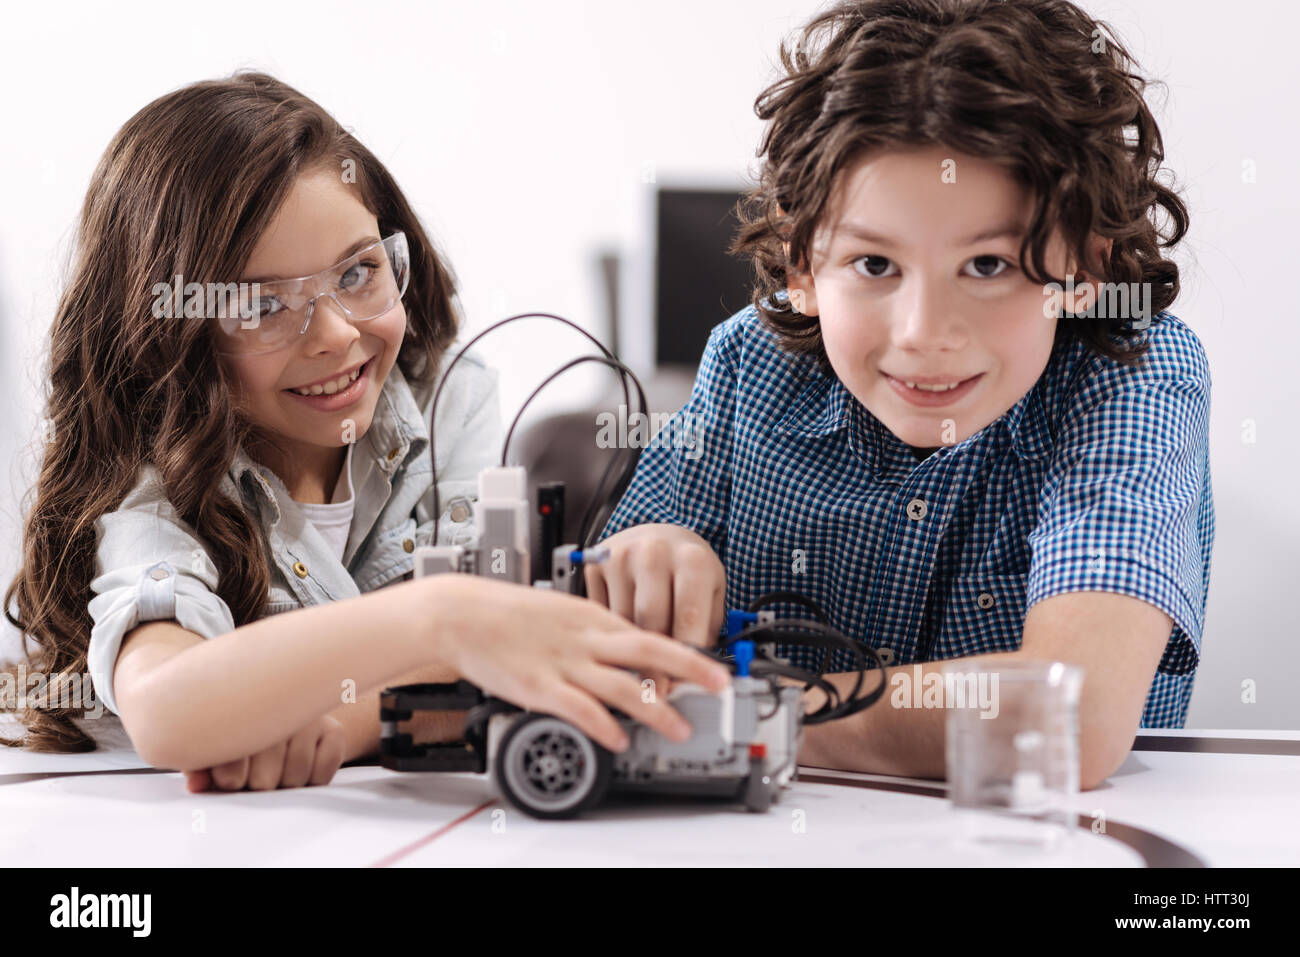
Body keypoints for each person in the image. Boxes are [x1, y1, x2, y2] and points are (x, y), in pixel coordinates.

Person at [1, 72, 728, 792]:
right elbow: (168, 709)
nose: (336, 334)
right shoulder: (157, 488)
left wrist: (342, 715)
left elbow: (493, 652)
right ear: (173, 336)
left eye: (357, 273)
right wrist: (440, 617)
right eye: (259, 306)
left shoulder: (446, 398)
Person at [588, 0, 1213, 790]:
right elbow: (603, 646)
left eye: (988, 265)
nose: (924, 332)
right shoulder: (747, 359)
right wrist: (652, 553)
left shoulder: (1135, 372)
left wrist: (744, 713)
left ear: (1086, 266)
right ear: (801, 264)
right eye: (875, 265)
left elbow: (1068, 717)